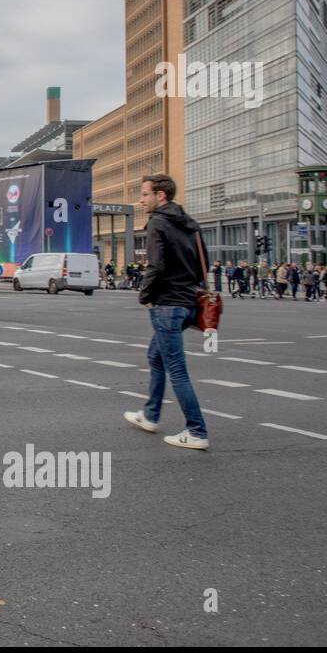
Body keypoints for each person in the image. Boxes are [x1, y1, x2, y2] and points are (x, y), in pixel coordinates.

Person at [124, 174, 209, 450]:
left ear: (161, 195)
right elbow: (203, 264)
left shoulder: (158, 222)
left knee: (176, 369)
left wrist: (145, 295)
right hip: (188, 303)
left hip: (167, 304)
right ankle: (150, 415)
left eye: (145, 194)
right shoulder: (189, 224)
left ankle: (196, 430)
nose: (141, 199)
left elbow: (156, 265)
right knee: (155, 357)